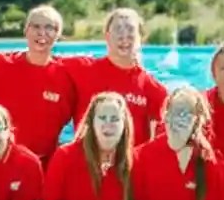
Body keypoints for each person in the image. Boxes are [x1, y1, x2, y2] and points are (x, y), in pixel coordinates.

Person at [0, 5, 76, 166]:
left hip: (45, 164)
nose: (42, 33)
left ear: (58, 35)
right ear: (26, 31)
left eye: (50, 27)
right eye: (36, 26)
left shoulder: (68, 75)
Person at [64, 8, 167, 147]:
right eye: (118, 29)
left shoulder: (154, 90)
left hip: (127, 166)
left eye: (130, 29)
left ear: (141, 37)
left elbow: (162, 141)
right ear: (107, 37)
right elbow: (41, 63)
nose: (124, 35)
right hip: (86, 164)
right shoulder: (81, 69)